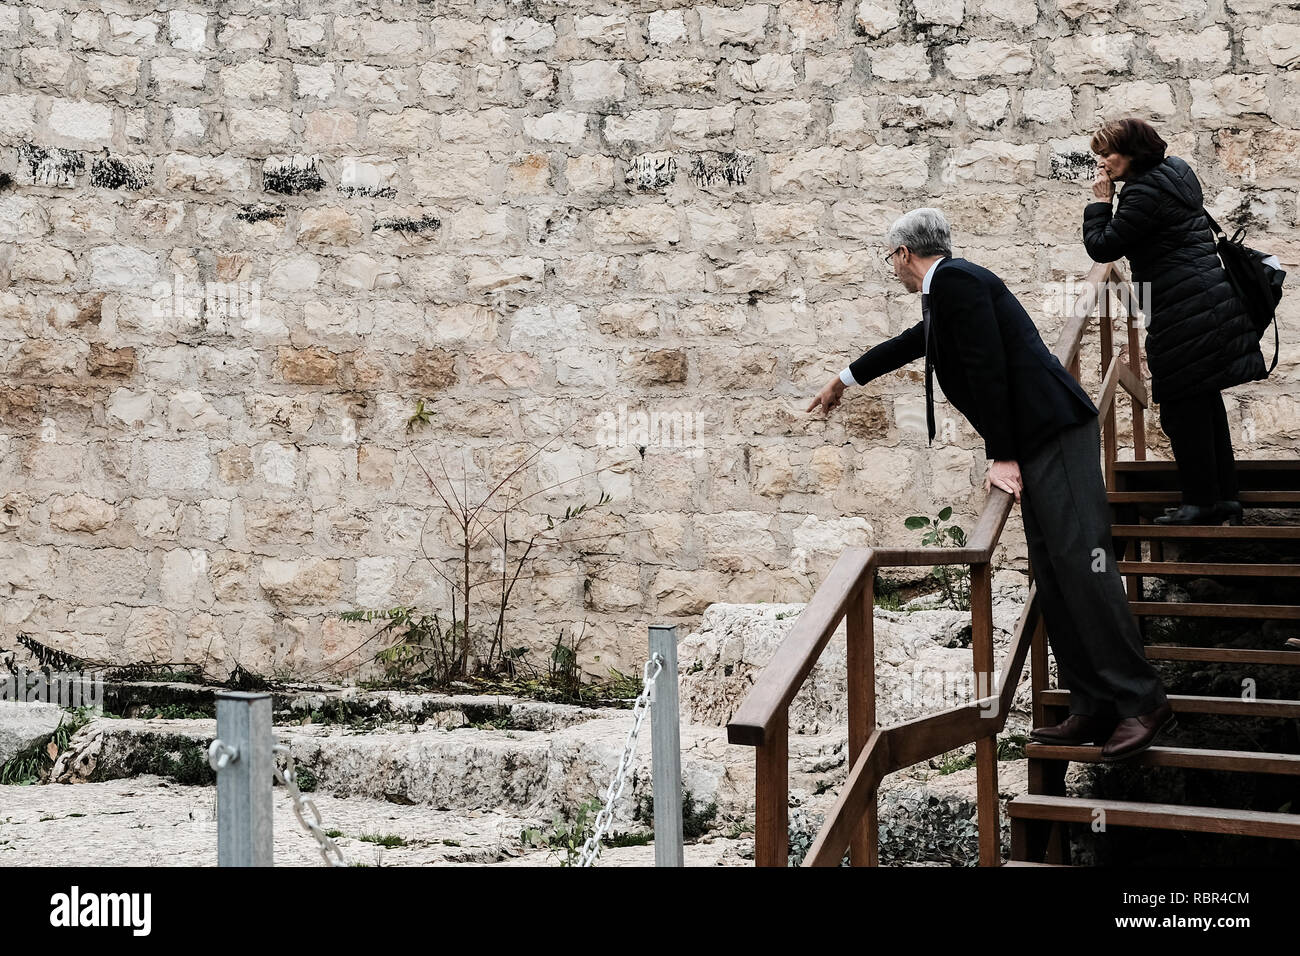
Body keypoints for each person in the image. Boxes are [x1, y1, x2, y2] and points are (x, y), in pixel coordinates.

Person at [808, 207, 1174, 760]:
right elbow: (913, 343)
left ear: (905, 254)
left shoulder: (956, 280)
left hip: (1050, 431)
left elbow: (987, 365)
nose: (893, 271)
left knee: (1084, 564)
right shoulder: (951, 287)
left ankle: (1142, 703)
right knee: (1053, 573)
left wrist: (1001, 453)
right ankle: (1094, 704)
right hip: (1035, 437)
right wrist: (844, 378)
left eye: (891, 260)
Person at [1082, 117, 1266, 525]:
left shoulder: (1143, 192)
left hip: (1181, 307)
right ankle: (1224, 498)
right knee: (1202, 399)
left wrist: (1099, 204)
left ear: (1133, 152)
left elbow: (1103, 246)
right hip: (1206, 299)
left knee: (1182, 408)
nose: (1102, 164)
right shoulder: (1176, 170)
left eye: (1107, 154)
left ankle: (1201, 501)